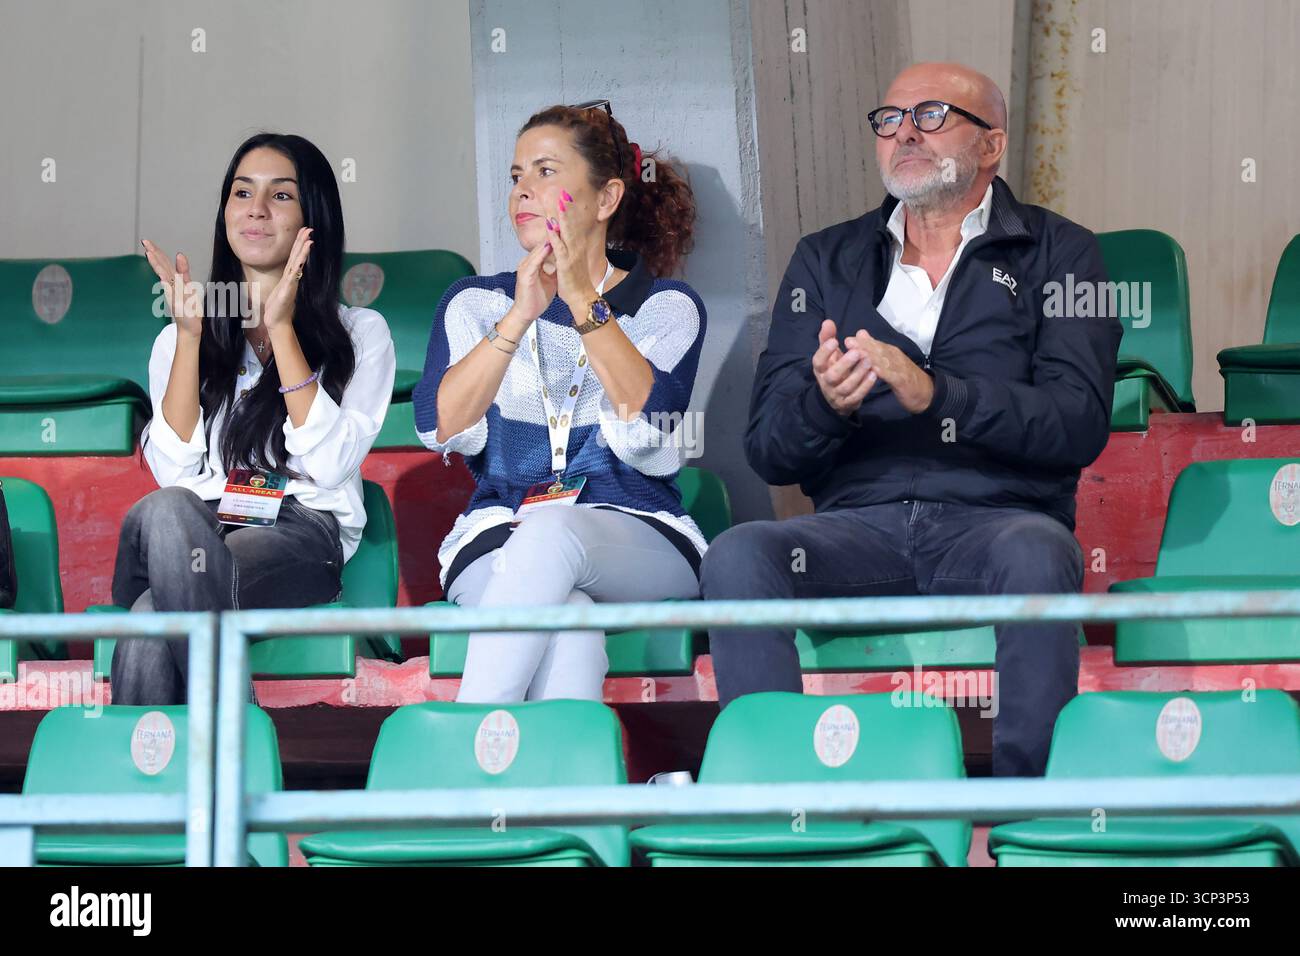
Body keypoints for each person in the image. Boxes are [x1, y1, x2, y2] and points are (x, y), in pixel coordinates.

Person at [702, 63, 1123, 777]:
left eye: (931, 116)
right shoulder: (826, 259)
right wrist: (826, 405)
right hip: (856, 529)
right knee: (739, 554)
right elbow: (770, 449)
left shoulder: (1061, 251)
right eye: (890, 119)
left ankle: (1030, 805)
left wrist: (941, 396)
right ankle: (777, 796)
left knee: (1038, 551)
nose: (904, 134)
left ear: (991, 146)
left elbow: (1078, 421)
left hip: (996, 524)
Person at [414, 102, 705, 702]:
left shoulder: (667, 307)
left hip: (638, 535)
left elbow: (647, 426)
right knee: (569, 624)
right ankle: (563, 768)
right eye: (516, 175)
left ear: (606, 198)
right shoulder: (475, 303)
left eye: (545, 172)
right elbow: (439, 425)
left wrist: (580, 302)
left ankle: (467, 739)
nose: (522, 190)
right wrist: (519, 316)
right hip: (498, 534)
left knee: (551, 534)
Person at [110, 132, 396, 705]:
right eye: (242, 193)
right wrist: (190, 340)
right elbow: (173, 472)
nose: (256, 209)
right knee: (167, 509)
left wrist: (283, 328)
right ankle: (235, 741)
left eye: (280, 195)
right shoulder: (181, 336)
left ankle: (171, 763)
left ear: (313, 219)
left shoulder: (361, 334)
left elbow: (330, 464)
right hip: (197, 524)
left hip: (297, 532)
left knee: (147, 621)